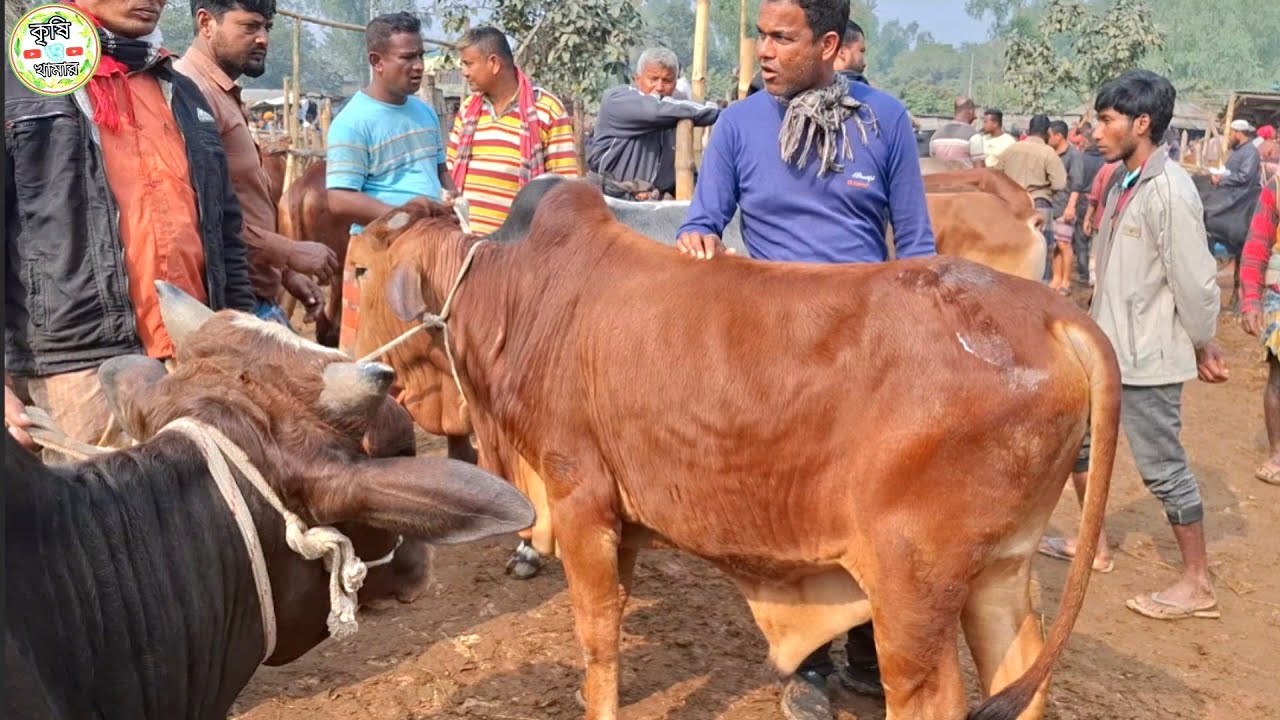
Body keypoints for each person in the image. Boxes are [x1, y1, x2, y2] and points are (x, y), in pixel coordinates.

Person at [675, 1, 934, 716]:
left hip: (866, 355)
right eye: (762, 35)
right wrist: (698, 237)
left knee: (875, 508)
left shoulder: (885, 121)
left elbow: (914, 246)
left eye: (782, 38)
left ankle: (867, 653)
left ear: (828, 44)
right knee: (792, 514)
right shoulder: (736, 124)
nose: (764, 51)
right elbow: (705, 216)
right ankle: (811, 665)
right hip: (774, 357)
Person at [4, 0, 254, 455]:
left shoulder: (183, 92)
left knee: (199, 511)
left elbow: (224, 231)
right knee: (97, 519)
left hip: (193, 353)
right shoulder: (22, 88)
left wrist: (240, 337)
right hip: (78, 366)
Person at [1040, 69, 1228, 621]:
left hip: (1148, 357)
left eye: (1107, 120)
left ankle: (1198, 582)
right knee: (1078, 446)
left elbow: (1194, 280)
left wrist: (1203, 340)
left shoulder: (1171, 191)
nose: (1096, 131)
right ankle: (1093, 545)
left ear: (1141, 123)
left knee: (1162, 468)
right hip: (1107, 350)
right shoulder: (1125, 181)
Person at [175, 0, 339, 328]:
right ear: (206, 23)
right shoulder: (189, 93)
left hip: (254, 293)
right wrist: (288, 252)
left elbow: (242, 205)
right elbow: (199, 215)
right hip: (223, 304)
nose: (263, 38)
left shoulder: (223, 94)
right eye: (250, 27)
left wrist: (285, 273)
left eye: (267, 28)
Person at [326, 12, 455, 236]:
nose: (419, 66)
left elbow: (440, 169)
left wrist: (453, 197)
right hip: (383, 245)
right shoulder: (352, 122)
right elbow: (339, 199)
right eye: (407, 57)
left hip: (431, 237)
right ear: (377, 62)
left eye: (420, 56)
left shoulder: (425, 111)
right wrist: (408, 218)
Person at [448, 26, 579, 234]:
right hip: (466, 244)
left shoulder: (547, 110)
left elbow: (565, 189)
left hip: (517, 250)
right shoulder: (468, 109)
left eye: (468, 64)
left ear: (493, 63)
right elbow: (450, 169)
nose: (463, 72)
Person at [587, 47, 719, 200]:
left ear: (675, 84)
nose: (660, 87)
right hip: (609, 202)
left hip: (652, 210)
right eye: (653, 79)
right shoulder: (616, 99)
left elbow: (686, 178)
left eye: (667, 81)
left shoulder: (675, 121)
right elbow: (655, 109)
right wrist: (720, 113)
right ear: (637, 79)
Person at [1239, 175, 1280, 485]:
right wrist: (1250, 299)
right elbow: (1258, 243)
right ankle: (1278, 454)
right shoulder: (1277, 185)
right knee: (1279, 376)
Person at [994, 113, 1067, 280]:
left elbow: (995, 173)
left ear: (1029, 130)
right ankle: (1041, 289)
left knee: (1010, 247)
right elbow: (1059, 183)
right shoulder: (1048, 153)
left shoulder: (1012, 149)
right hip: (1039, 205)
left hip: (1010, 205)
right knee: (1042, 251)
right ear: (1048, 131)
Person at [1047, 119, 1086, 293]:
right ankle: (1056, 278)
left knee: (1064, 244)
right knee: (1055, 244)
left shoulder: (1074, 156)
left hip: (1065, 205)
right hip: (1052, 204)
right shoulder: (1051, 153)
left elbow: (1077, 183)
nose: (1047, 139)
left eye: (1049, 136)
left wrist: (1071, 207)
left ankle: (1066, 281)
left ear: (1058, 136)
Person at [929, 96, 984, 167]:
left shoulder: (936, 135)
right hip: (965, 178)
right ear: (971, 111)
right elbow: (979, 171)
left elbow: (933, 164)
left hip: (940, 177)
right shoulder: (973, 136)